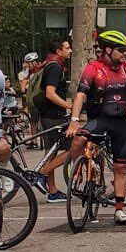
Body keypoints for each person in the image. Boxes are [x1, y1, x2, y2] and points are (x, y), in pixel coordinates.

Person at [64, 29, 126, 223]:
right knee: (78, 139)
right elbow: (81, 95)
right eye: (121, 50)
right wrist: (74, 121)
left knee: (120, 167)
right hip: (101, 120)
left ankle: (119, 209)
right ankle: (77, 167)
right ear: (108, 50)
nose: (124, 54)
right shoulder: (94, 69)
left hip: (123, 124)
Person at [31, 37, 74, 199]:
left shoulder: (50, 63)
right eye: (67, 48)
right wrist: (68, 106)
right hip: (54, 117)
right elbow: (50, 93)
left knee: (51, 154)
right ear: (59, 51)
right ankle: (42, 173)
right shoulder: (55, 67)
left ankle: (53, 191)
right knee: (74, 148)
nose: (70, 51)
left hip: (48, 115)